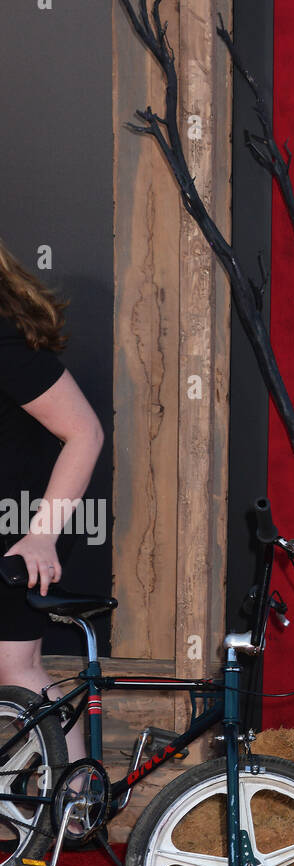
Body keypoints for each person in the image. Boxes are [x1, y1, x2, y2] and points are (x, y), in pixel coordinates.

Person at [0, 238, 103, 772]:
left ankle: (76, 806)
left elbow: (84, 431)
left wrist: (41, 533)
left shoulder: (5, 339)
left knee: (15, 667)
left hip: (8, 541)